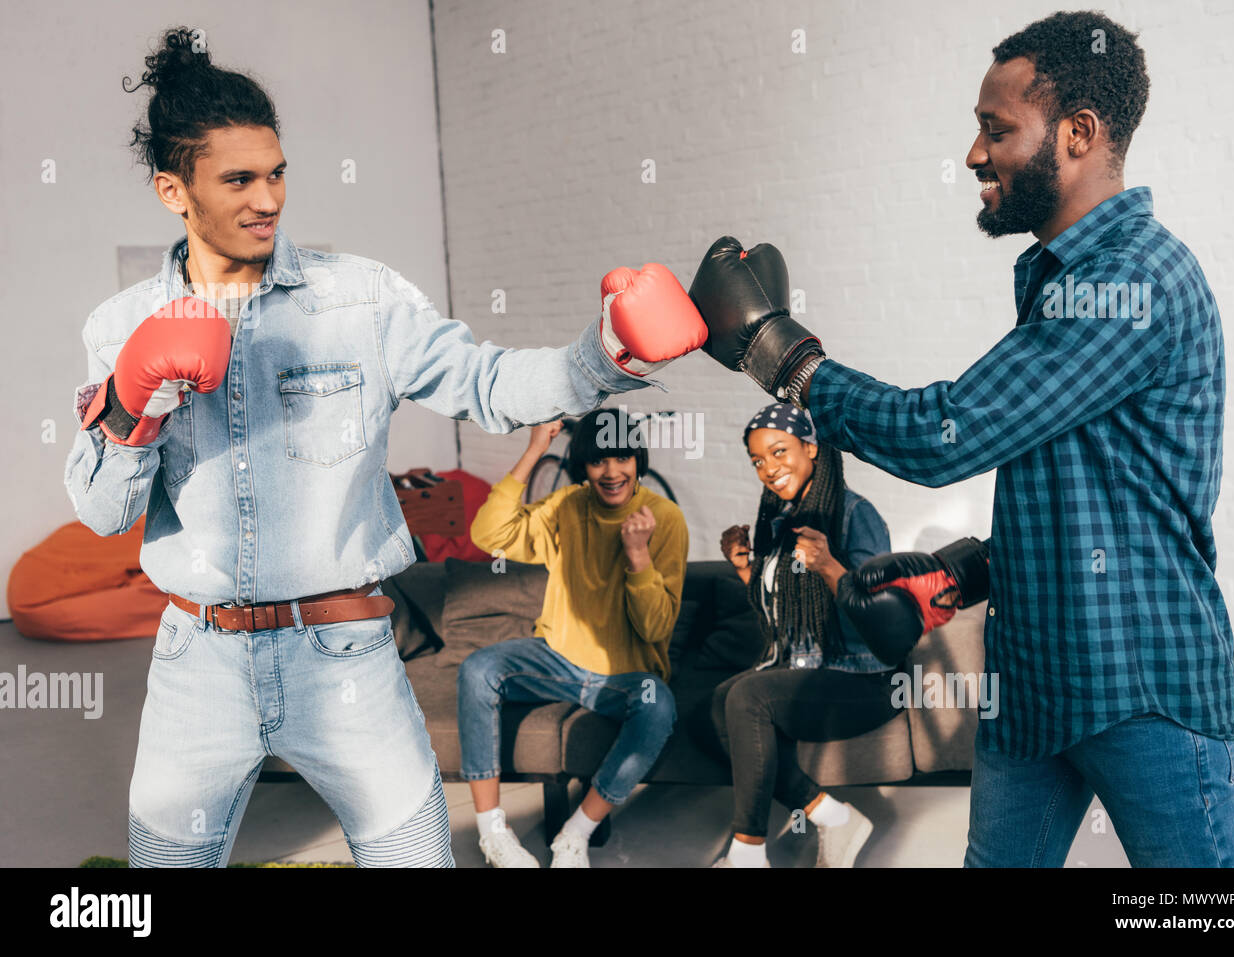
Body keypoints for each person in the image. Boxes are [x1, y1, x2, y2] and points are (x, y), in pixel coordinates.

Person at [64, 27, 704, 868]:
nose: (268, 199)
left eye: (278, 172)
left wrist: (605, 354)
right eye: (239, 180)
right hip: (199, 663)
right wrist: (129, 400)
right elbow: (105, 512)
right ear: (172, 190)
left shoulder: (360, 300)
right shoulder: (119, 328)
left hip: (345, 654)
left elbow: (485, 382)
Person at [688, 11, 1234, 867]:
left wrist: (779, 352)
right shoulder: (1063, 279)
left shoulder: (1132, 278)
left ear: (1079, 133)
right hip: (1031, 683)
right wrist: (970, 568)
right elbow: (1092, 479)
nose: (973, 154)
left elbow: (945, 432)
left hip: (1143, 687)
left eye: (996, 129)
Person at [460, 407, 687, 867]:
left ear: (637, 462)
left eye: (622, 458)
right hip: (559, 661)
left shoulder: (665, 519)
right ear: (582, 467)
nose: (611, 472)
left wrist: (637, 555)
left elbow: (656, 627)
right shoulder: (566, 507)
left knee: (658, 704)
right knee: (477, 670)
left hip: (626, 676)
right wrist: (534, 451)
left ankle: (574, 834)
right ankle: (493, 833)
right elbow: (490, 535)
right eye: (598, 461)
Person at [695, 402, 899, 868]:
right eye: (758, 460)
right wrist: (746, 568)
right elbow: (781, 621)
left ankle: (746, 854)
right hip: (806, 670)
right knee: (716, 705)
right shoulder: (778, 522)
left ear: (811, 447)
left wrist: (829, 565)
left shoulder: (855, 515)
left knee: (748, 697)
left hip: (865, 679)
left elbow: (879, 620)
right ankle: (833, 817)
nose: (769, 468)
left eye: (779, 451)